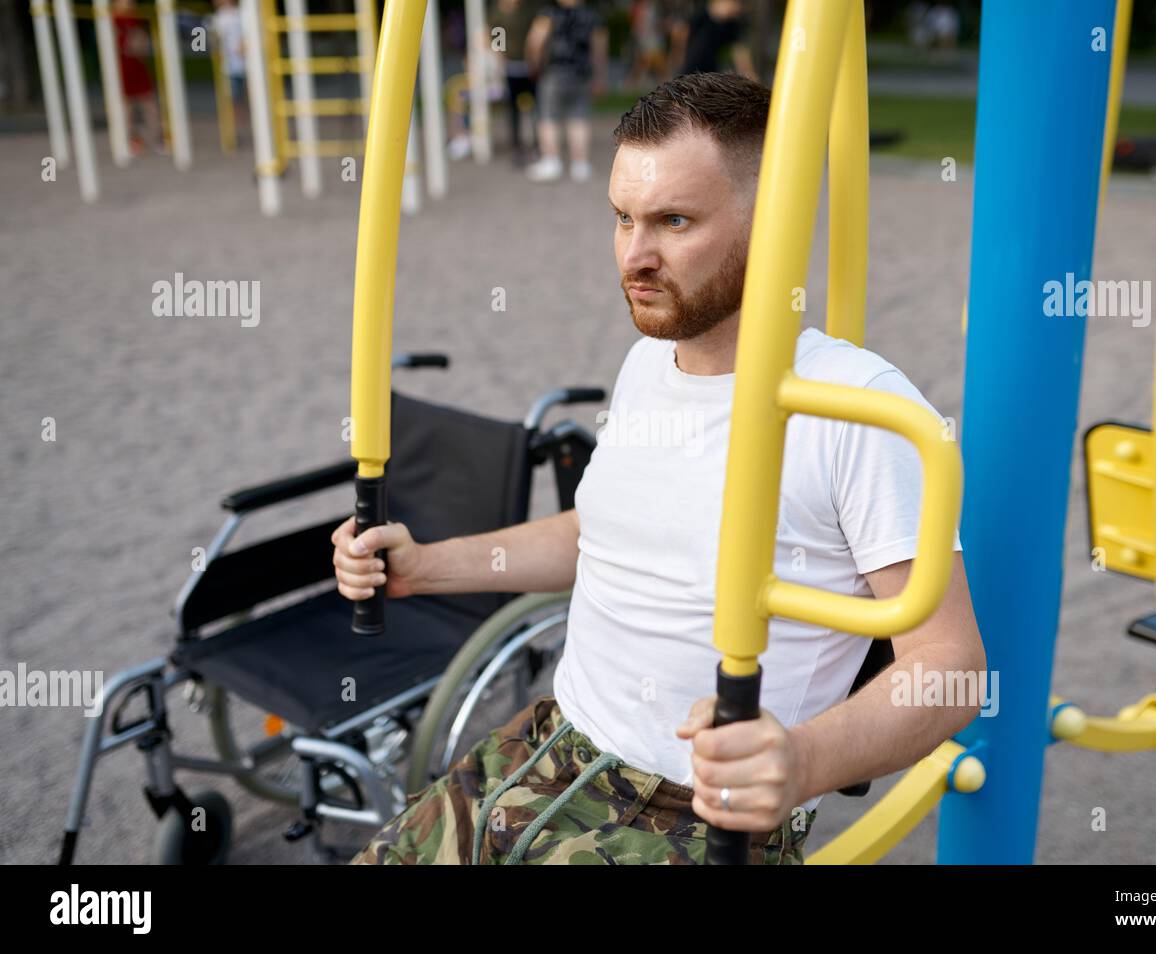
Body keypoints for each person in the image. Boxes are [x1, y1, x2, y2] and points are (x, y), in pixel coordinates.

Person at [337, 72, 985, 866]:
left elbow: (951, 667)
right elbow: (601, 534)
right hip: (543, 751)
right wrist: (427, 567)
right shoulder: (650, 362)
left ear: (774, 216)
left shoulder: (858, 409)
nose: (635, 257)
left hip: (683, 820)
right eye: (622, 218)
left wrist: (802, 762)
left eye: (674, 221)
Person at [523, 0, 609, 183]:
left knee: (548, 118)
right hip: (581, 74)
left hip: (554, 72)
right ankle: (580, 164)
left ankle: (551, 161)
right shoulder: (592, 15)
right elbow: (599, 49)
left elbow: (535, 41)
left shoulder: (549, 13)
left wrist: (534, 65)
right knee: (579, 118)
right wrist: (599, 76)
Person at [490, 0, 542, 166]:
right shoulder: (498, 12)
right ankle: (516, 145)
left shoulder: (528, 10)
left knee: (535, 107)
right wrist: (500, 56)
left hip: (528, 65)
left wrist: (534, 59)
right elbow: (495, 35)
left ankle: (536, 143)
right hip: (510, 65)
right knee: (513, 110)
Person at [113, 0, 164, 155]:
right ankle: (131, 141)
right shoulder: (112, 19)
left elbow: (140, 45)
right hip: (121, 69)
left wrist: (140, 42)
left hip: (137, 67)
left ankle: (158, 139)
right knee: (125, 109)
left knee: (150, 105)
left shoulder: (135, 18)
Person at [669, 0, 757, 82]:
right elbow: (681, 33)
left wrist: (748, 72)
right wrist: (678, 57)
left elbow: (739, 51)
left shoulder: (731, 26)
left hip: (709, 72)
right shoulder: (702, 15)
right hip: (689, 69)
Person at [210, 0, 247, 143]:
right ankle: (235, 132)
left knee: (248, 100)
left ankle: (247, 129)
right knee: (234, 102)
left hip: (247, 65)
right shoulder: (216, 18)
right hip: (229, 67)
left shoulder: (242, 14)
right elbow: (201, 44)